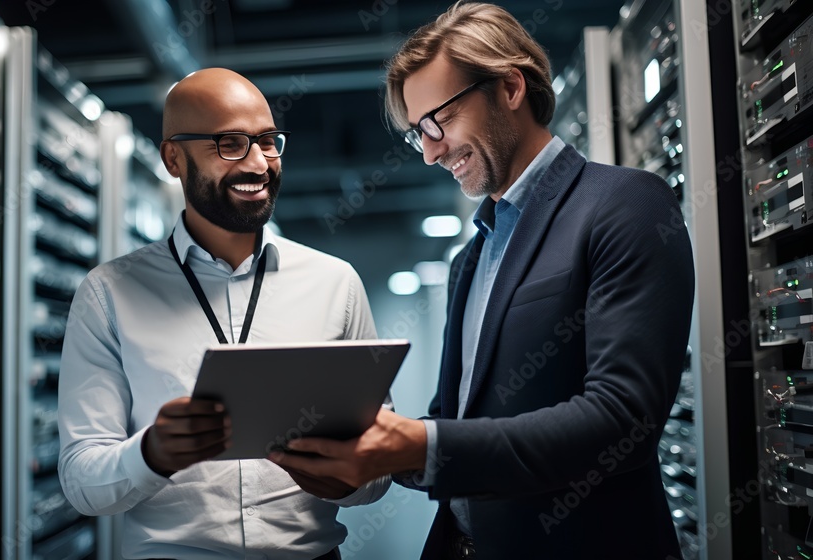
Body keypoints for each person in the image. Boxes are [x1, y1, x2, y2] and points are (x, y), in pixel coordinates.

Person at [268, 3, 695, 559]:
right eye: (416, 134)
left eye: (437, 122)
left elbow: (622, 420)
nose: (429, 152)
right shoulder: (472, 257)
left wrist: (419, 446)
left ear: (510, 87)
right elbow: (457, 418)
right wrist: (366, 453)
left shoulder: (625, 205)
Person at [57, 67, 390, 560]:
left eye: (268, 141)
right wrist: (152, 454)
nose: (258, 163)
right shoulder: (109, 293)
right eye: (230, 143)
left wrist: (346, 477)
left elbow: (381, 468)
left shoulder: (334, 284)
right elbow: (81, 482)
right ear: (174, 157)